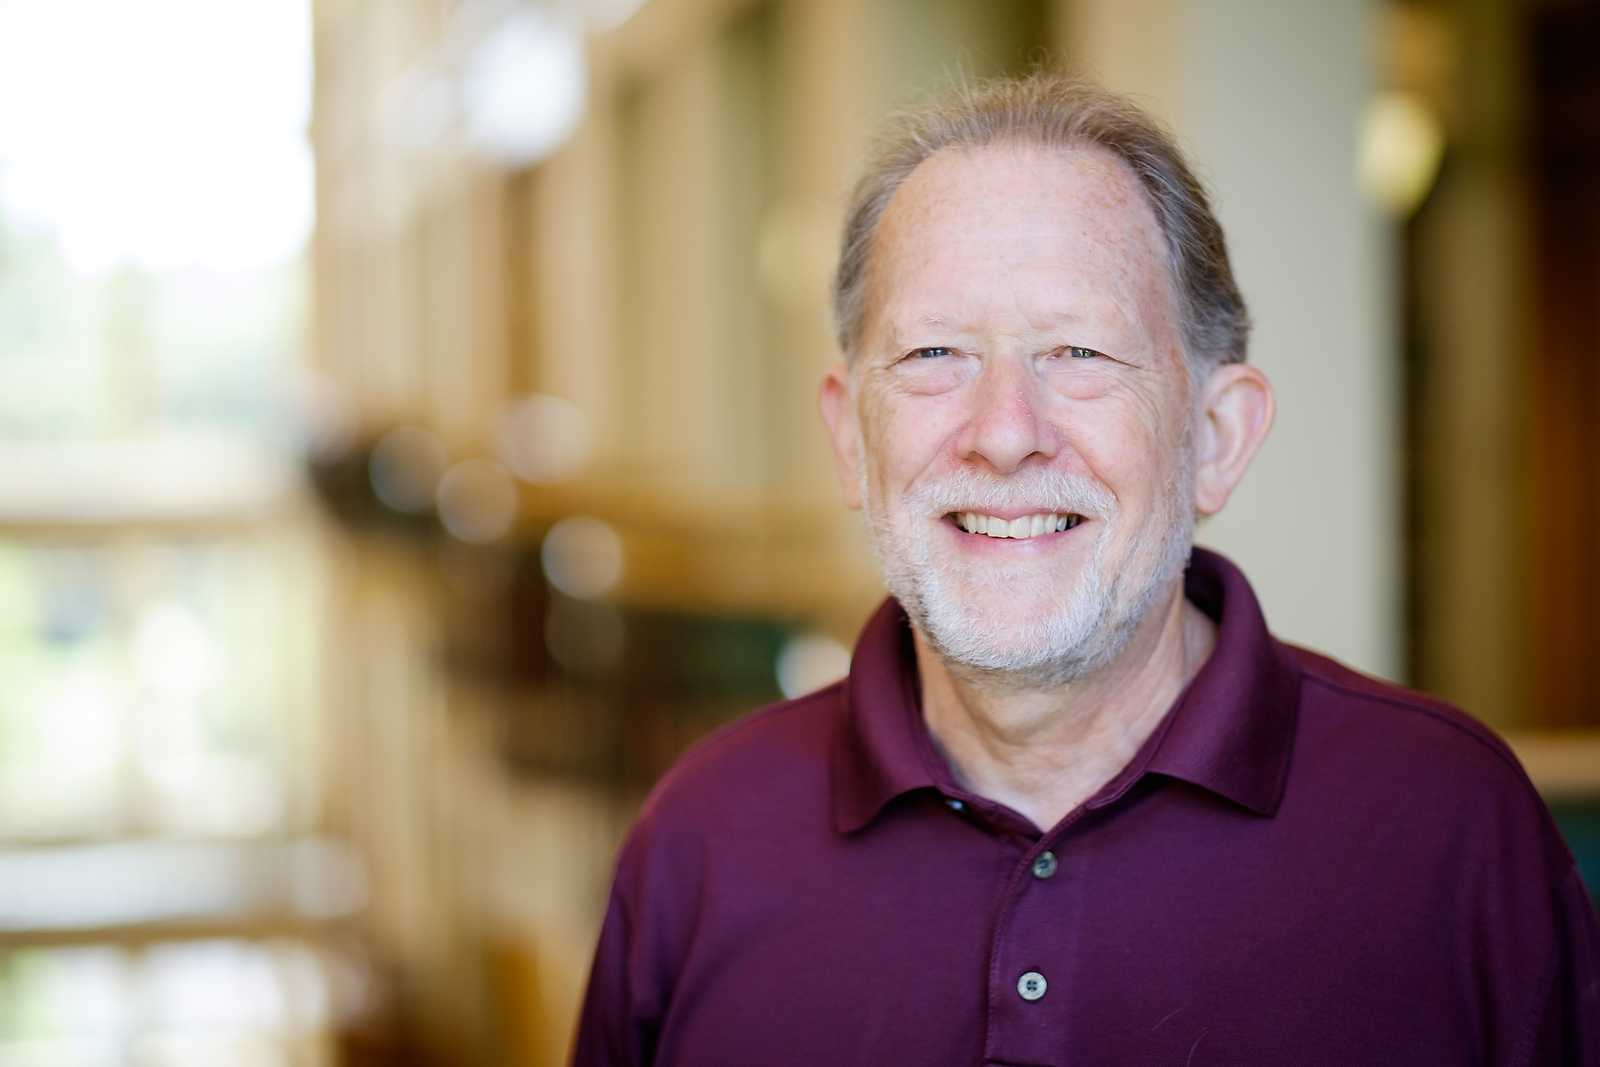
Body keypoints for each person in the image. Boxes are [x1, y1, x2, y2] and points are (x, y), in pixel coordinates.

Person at [573, 73, 1600, 1065]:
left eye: (1080, 353)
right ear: (851, 436)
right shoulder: (700, 841)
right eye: (933, 354)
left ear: (1216, 435)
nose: (1003, 432)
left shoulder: (1454, 834)